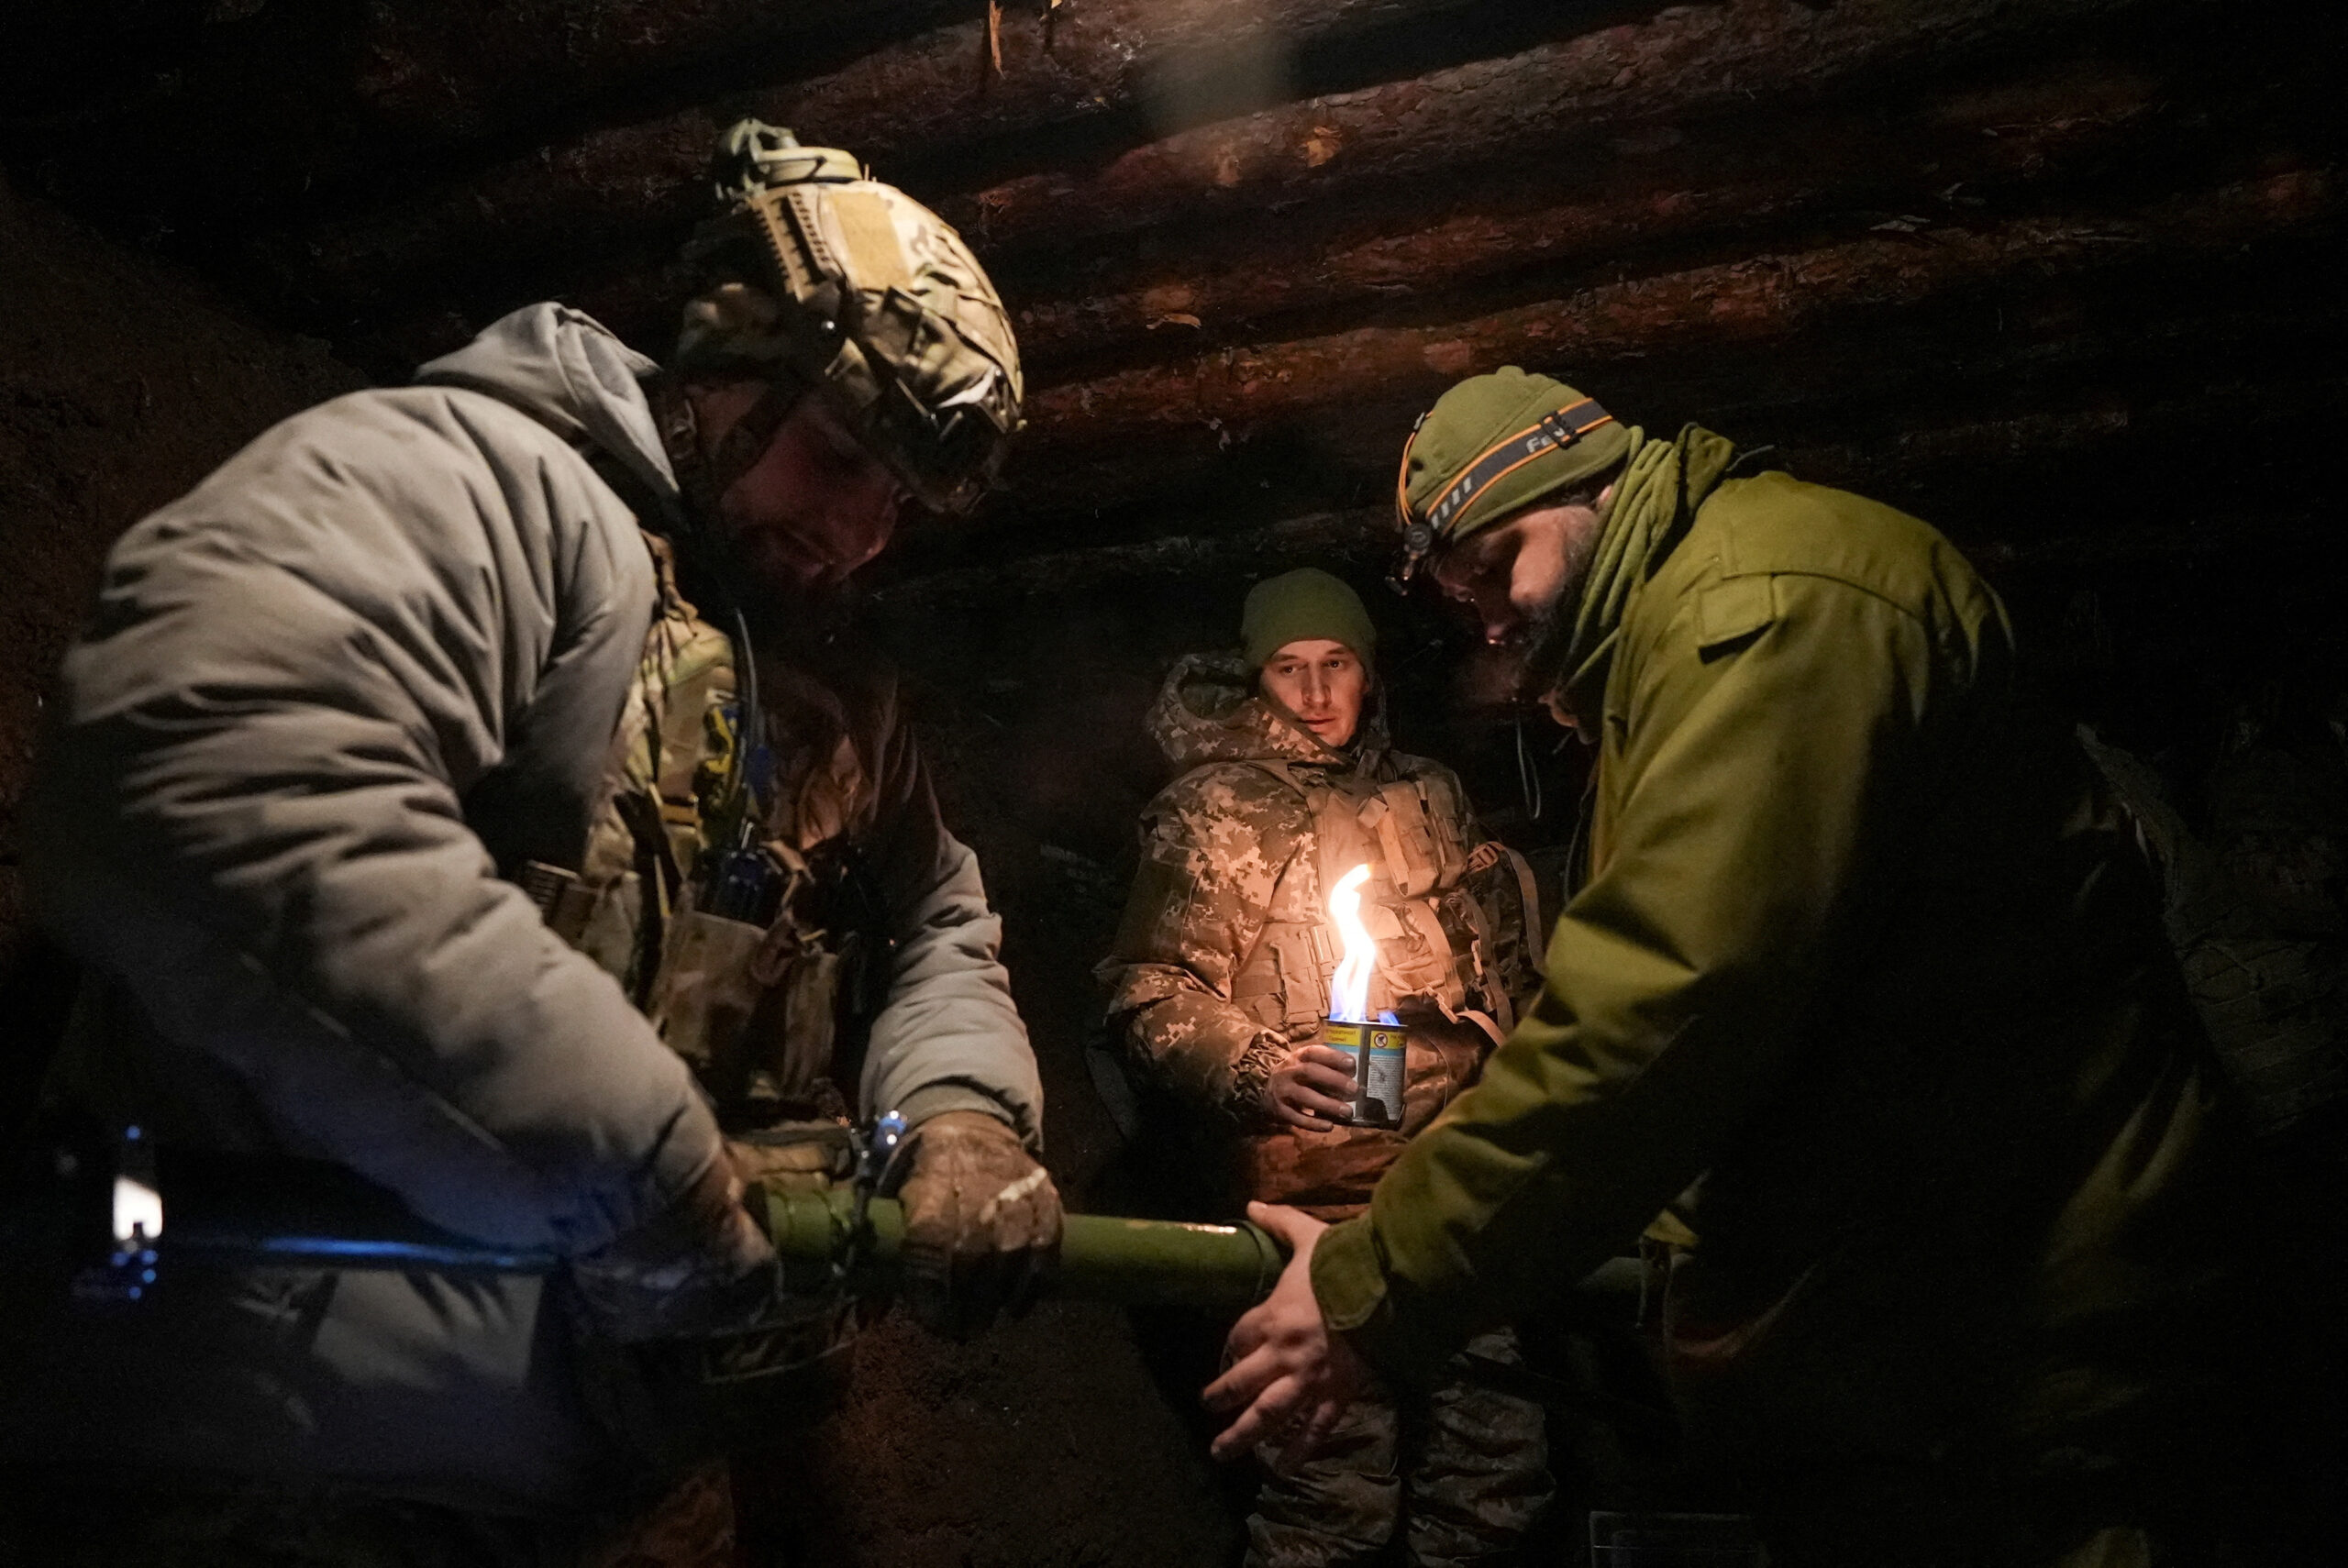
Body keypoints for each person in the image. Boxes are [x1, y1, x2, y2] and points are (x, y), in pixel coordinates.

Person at [0, 121, 1057, 1562]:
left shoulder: (821, 683)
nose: (865, 533)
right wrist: (641, 1173)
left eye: (900, 501)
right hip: (268, 1471)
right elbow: (198, 766)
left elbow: (936, 916)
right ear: (726, 371)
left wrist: (962, 1110)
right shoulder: (478, 486)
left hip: (598, 1469)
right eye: (838, 458)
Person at [1204, 369, 2283, 1566]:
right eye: (1463, 606)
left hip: (2015, 1337)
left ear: (1587, 484)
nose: (1493, 624)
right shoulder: (1669, 655)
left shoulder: (1770, 613)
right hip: (1917, 1322)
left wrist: (1379, 1279)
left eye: (1500, 563)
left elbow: (1659, 1009)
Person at [1100, 568, 1550, 1567]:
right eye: (1289, 668)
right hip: (1308, 1203)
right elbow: (1146, 989)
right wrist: (1255, 1066)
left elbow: (1505, 975)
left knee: (1491, 1483)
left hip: (1449, 1189)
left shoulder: (1428, 794)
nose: (1314, 691)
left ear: (1368, 672)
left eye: (1336, 664)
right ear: (1255, 680)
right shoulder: (1217, 811)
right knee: (1329, 1489)